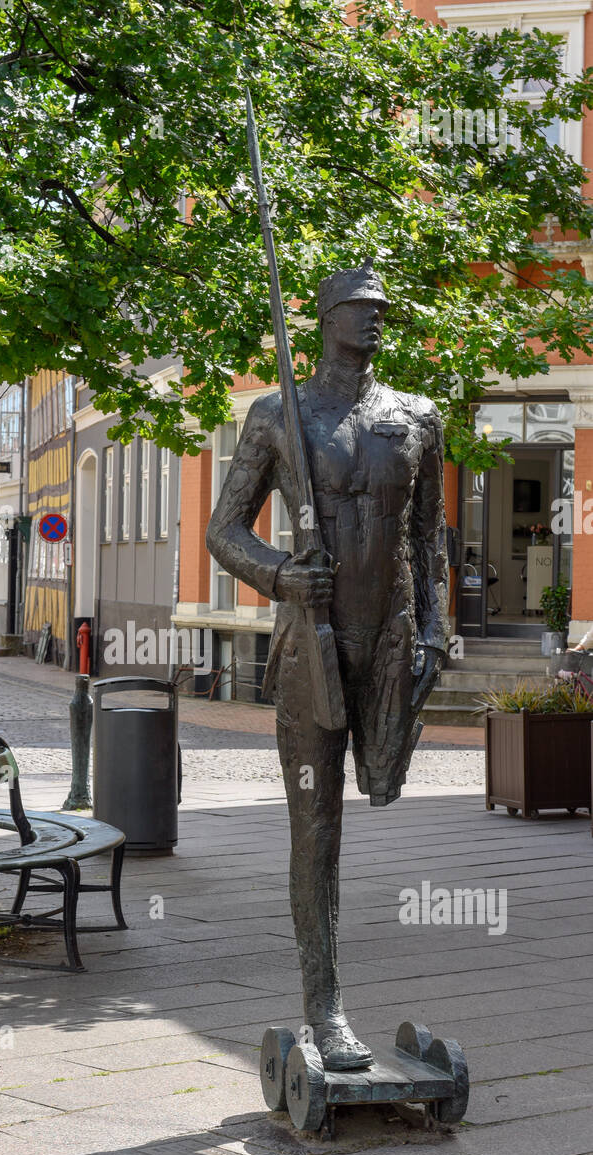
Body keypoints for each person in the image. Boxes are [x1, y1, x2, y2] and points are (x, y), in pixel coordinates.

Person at [207, 261, 449, 1070]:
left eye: (381, 308)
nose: (376, 319)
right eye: (359, 308)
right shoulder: (277, 415)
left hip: (390, 640)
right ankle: (327, 1005)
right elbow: (223, 530)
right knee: (315, 830)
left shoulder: (417, 417)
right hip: (311, 644)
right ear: (324, 318)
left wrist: (437, 634)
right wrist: (278, 574)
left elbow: (428, 537)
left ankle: (336, 1001)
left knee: (372, 801)